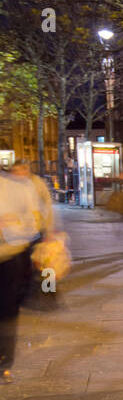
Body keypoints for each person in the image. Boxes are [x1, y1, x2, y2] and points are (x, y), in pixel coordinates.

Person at [0, 160, 53, 382]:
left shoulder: (21, 186)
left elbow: (36, 217)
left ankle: (4, 362)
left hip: (11, 255)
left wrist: (15, 227)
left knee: (7, 311)